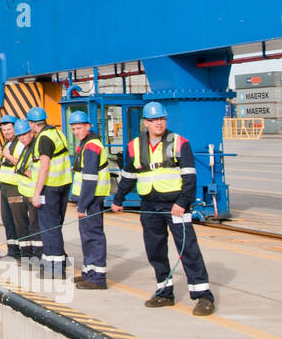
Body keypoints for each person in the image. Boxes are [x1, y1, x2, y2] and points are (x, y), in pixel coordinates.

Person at [112, 101, 215, 315]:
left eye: (162, 119)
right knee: (155, 249)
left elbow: (189, 177)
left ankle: (203, 296)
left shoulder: (179, 143)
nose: (159, 123)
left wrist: (182, 203)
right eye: (154, 120)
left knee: (188, 249)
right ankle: (164, 292)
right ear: (146, 123)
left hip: (175, 205)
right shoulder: (134, 146)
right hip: (149, 206)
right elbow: (129, 175)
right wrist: (118, 199)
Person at [27, 106, 73, 279]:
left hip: (50, 188)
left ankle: (54, 269)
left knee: (49, 228)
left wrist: (37, 192)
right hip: (63, 185)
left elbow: (44, 166)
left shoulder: (43, 138)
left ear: (32, 123)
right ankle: (57, 264)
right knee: (56, 227)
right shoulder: (58, 133)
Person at [68, 111, 110, 289]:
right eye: (73, 129)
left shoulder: (92, 146)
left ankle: (97, 278)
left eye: (79, 128)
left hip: (91, 200)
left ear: (88, 126)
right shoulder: (85, 144)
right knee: (87, 237)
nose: (76, 132)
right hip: (87, 199)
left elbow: (90, 178)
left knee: (93, 236)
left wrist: (83, 204)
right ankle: (88, 272)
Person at [0, 115, 25, 261]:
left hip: (16, 187)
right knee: (8, 220)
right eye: (4, 130)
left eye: (9, 129)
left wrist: (7, 155)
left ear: (16, 128)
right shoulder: (7, 144)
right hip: (6, 186)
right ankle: (12, 251)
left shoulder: (20, 144)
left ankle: (23, 253)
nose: (6, 132)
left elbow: (22, 165)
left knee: (19, 220)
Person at [9, 119, 39, 262]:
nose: (21, 138)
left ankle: (38, 257)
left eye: (24, 135)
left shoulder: (35, 148)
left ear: (31, 132)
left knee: (36, 228)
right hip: (25, 192)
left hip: (34, 194)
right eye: (19, 135)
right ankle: (29, 255)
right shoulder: (26, 147)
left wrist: (23, 171)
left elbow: (36, 173)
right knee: (27, 226)